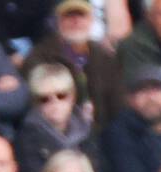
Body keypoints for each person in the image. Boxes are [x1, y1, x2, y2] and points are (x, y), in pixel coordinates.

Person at [21, 0, 124, 133]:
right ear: (58, 22)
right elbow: (35, 106)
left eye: (81, 15)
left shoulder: (104, 57)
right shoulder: (39, 57)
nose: (76, 21)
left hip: (103, 134)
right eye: (69, 16)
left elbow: (118, 104)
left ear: (91, 20)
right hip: (57, 134)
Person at [13, 64, 97, 172]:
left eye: (61, 95)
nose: (54, 103)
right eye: (44, 99)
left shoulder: (87, 131)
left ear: (73, 96)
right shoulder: (26, 140)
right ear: (35, 102)